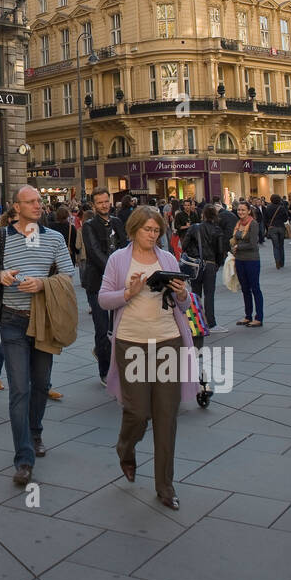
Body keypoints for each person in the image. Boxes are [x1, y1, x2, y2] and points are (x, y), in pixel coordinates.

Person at [98, 206, 199, 511]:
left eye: (157, 231)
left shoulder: (167, 258)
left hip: (168, 341)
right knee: (138, 412)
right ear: (134, 230)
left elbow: (184, 305)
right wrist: (128, 293)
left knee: (167, 417)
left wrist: (181, 293)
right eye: (147, 230)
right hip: (131, 343)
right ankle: (125, 448)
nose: (152, 235)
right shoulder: (118, 260)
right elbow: (104, 299)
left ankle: (165, 486)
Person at [0, 185, 75, 486]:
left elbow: (67, 274)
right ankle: (23, 458)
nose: (38, 206)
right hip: (12, 320)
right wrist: (3, 276)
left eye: (39, 201)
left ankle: (35, 432)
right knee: (19, 388)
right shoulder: (0, 237)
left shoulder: (54, 238)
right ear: (16, 207)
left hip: (44, 319)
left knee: (41, 384)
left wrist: (42, 284)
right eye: (31, 202)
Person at [81, 188, 127, 386]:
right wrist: (113, 270)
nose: (104, 205)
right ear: (94, 205)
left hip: (118, 282)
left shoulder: (117, 222)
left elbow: (125, 246)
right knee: (101, 327)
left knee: (117, 327)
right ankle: (105, 371)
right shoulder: (89, 225)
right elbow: (94, 252)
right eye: (100, 202)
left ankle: (111, 359)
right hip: (98, 282)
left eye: (106, 201)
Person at [181, 205, 226, 334]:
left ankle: (195, 322)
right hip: (210, 264)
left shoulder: (194, 228)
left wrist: (193, 254)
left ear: (203, 215)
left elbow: (184, 245)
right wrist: (217, 264)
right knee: (209, 294)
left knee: (195, 293)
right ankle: (211, 323)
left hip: (195, 265)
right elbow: (220, 250)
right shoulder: (217, 230)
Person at [231, 200, 263, 326]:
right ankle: (248, 315)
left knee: (255, 288)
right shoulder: (238, 223)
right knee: (245, 289)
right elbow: (234, 239)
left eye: (243, 210)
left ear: (249, 211)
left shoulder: (253, 223)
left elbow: (253, 243)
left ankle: (259, 317)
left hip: (252, 260)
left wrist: (238, 247)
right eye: (239, 210)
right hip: (240, 260)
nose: (240, 212)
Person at [263, 194, 289, 270]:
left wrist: (268, 225)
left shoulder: (268, 208)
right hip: (281, 227)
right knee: (281, 245)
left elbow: (265, 219)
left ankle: (277, 261)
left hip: (273, 228)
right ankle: (282, 262)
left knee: (275, 246)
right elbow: (285, 218)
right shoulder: (282, 208)